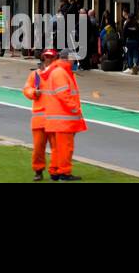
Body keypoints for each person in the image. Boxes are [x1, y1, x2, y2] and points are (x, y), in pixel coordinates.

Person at [41, 50, 87, 181]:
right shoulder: (61, 73)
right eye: (73, 59)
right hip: (63, 118)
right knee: (65, 147)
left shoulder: (58, 71)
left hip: (57, 118)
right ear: (67, 59)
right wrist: (75, 108)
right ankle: (64, 173)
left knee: (58, 148)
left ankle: (55, 171)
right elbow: (64, 94)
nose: (74, 62)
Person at [22, 48, 57, 181]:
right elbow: (26, 89)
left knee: (56, 148)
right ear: (43, 58)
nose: (48, 59)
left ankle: (55, 171)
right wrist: (33, 93)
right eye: (47, 57)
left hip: (54, 117)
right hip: (39, 118)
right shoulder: (36, 75)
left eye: (51, 57)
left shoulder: (57, 74)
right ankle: (38, 171)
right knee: (38, 148)